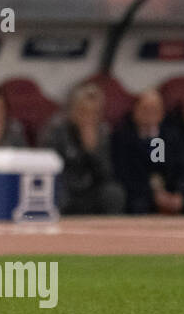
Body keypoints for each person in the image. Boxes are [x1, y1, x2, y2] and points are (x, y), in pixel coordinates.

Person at [39, 82, 125, 215]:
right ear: (72, 110)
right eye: (84, 111)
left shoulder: (103, 132)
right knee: (59, 192)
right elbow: (49, 166)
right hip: (66, 187)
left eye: (94, 113)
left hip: (91, 189)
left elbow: (106, 174)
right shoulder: (56, 130)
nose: (88, 118)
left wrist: (91, 151)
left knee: (113, 193)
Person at [112, 88, 184, 215]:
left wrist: (180, 193)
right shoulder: (123, 136)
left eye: (154, 110)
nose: (149, 114)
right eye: (145, 109)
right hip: (139, 192)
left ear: (162, 113)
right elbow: (124, 173)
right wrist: (153, 195)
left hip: (171, 190)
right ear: (135, 111)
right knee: (138, 206)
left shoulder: (172, 135)